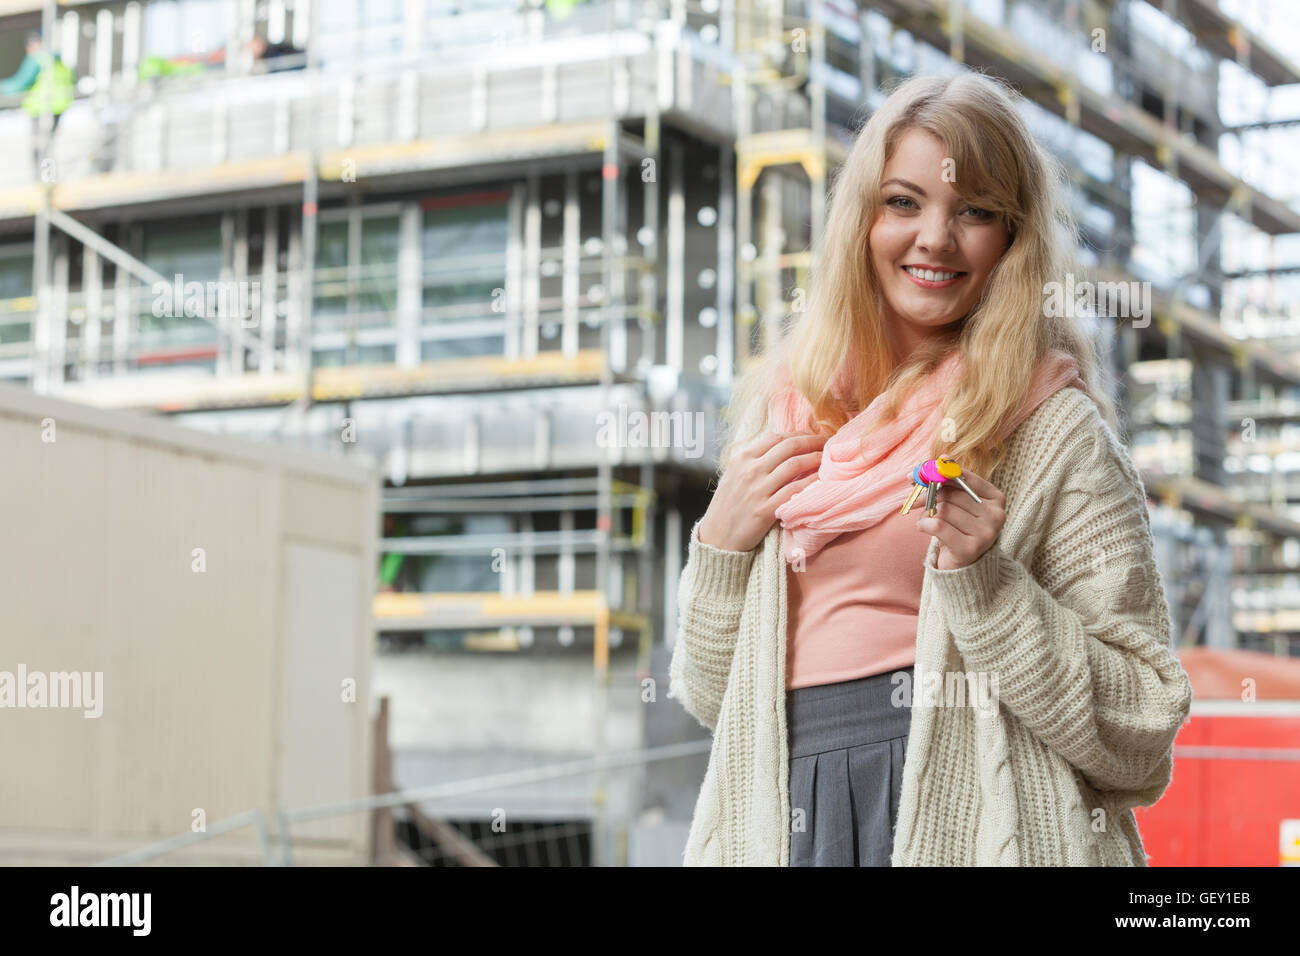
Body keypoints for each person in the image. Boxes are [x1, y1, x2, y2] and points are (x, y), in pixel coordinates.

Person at [669, 72, 1193, 866]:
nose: (936, 239)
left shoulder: (1054, 429)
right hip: (787, 823)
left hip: (980, 827)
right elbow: (715, 700)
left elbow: (1141, 734)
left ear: (1013, 241)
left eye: (976, 211)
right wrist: (720, 544)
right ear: (861, 220)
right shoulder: (790, 412)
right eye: (903, 202)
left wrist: (988, 584)